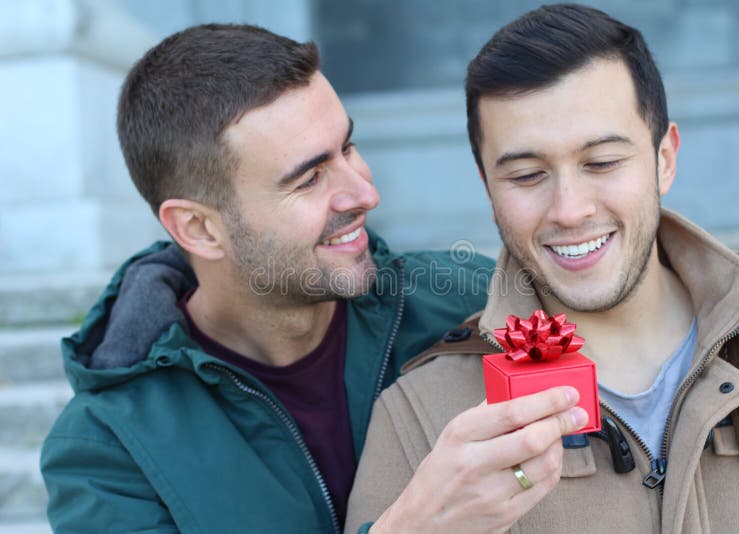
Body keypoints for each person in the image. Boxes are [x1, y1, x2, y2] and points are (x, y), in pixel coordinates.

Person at [345, 4, 739, 533]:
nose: (569, 209)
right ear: (487, 186)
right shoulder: (419, 418)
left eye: (602, 162)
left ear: (665, 159)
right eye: (527, 174)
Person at [39, 24, 496, 533]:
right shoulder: (110, 453)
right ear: (199, 228)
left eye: (347, 148)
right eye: (309, 178)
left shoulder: (475, 302)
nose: (364, 194)